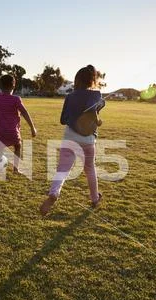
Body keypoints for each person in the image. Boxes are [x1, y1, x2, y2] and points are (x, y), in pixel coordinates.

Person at [40, 65, 103, 215]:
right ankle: (95, 198)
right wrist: (97, 120)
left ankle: (54, 193)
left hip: (69, 137)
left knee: (62, 169)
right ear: (92, 80)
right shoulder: (96, 94)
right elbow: (92, 109)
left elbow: (63, 120)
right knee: (90, 169)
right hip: (88, 139)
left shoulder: (70, 96)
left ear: (77, 80)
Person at [0, 74, 37, 186]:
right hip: (13, 131)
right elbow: (25, 112)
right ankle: (16, 169)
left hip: (0, 131)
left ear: (1, 86)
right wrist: (32, 127)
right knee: (18, 146)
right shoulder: (16, 99)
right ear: (14, 85)